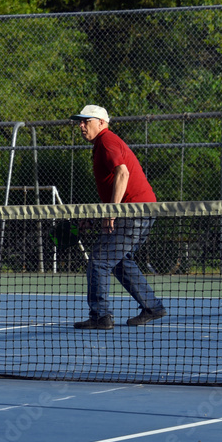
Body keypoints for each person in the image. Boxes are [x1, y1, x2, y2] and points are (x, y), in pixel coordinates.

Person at [71, 104, 168, 330]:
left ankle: (101, 316)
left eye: (87, 121)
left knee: (99, 260)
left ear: (102, 123)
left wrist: (112, 212)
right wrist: (97, 216)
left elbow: (122, 173)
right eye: (80, 122)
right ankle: (152, 306)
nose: (81, 125)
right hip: (142, 210)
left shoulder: (107, 141)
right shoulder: (102, 144)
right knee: (120, 261)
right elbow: (113, 186)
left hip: (134, 211)